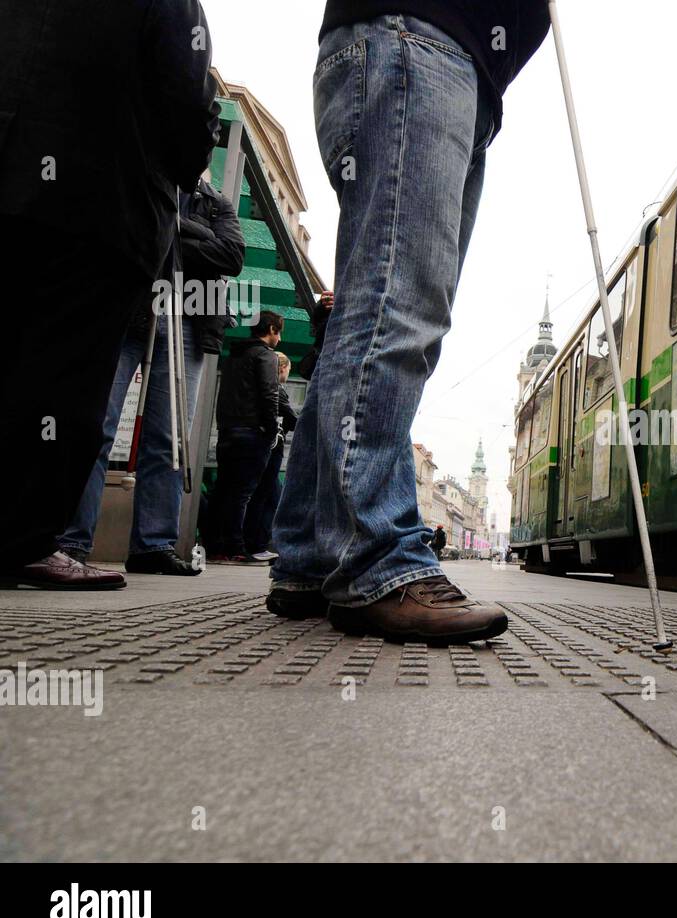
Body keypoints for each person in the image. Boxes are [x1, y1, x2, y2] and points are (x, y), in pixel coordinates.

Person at [267, 1, 550, 644]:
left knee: (369, 310)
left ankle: (311, 559)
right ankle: (378, 563)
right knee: (398, 306)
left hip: (433, 56)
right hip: (420, 44)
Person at [0, 0, 219, 590]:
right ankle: (22, 538)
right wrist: (185, 158)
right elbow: (186, 99)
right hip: (96, 201)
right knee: (63, 380)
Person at [59, 176, 245, 576]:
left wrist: (174, 226)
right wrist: (188, 235)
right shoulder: (138, 177)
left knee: (170, 437)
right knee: (96, 426)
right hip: (125, 315)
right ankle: (72, 541)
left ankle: (153, 544)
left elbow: (231, 254)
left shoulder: (215, 202)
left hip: (187, 321)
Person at [206, 311, 283, 564]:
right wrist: (272, 430)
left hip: (228, 430)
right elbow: (269, 394)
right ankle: (236, 547)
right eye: (278, 332)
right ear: (270, 328)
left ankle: (214, 545)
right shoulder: (265, 356)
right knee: (243, 493)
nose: (279, 339)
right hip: (252, 432)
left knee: (223, 490)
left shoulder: (233, 355)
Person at [245, 353, 298, 561]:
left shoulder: (259, 387)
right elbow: (291, 418)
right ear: (282, 368)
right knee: (265, 497)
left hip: (264, 445)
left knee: (270, 496)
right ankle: (256, 544)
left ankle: (257, 542)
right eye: (288, 369)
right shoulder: (276, 389)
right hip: (271, 448)